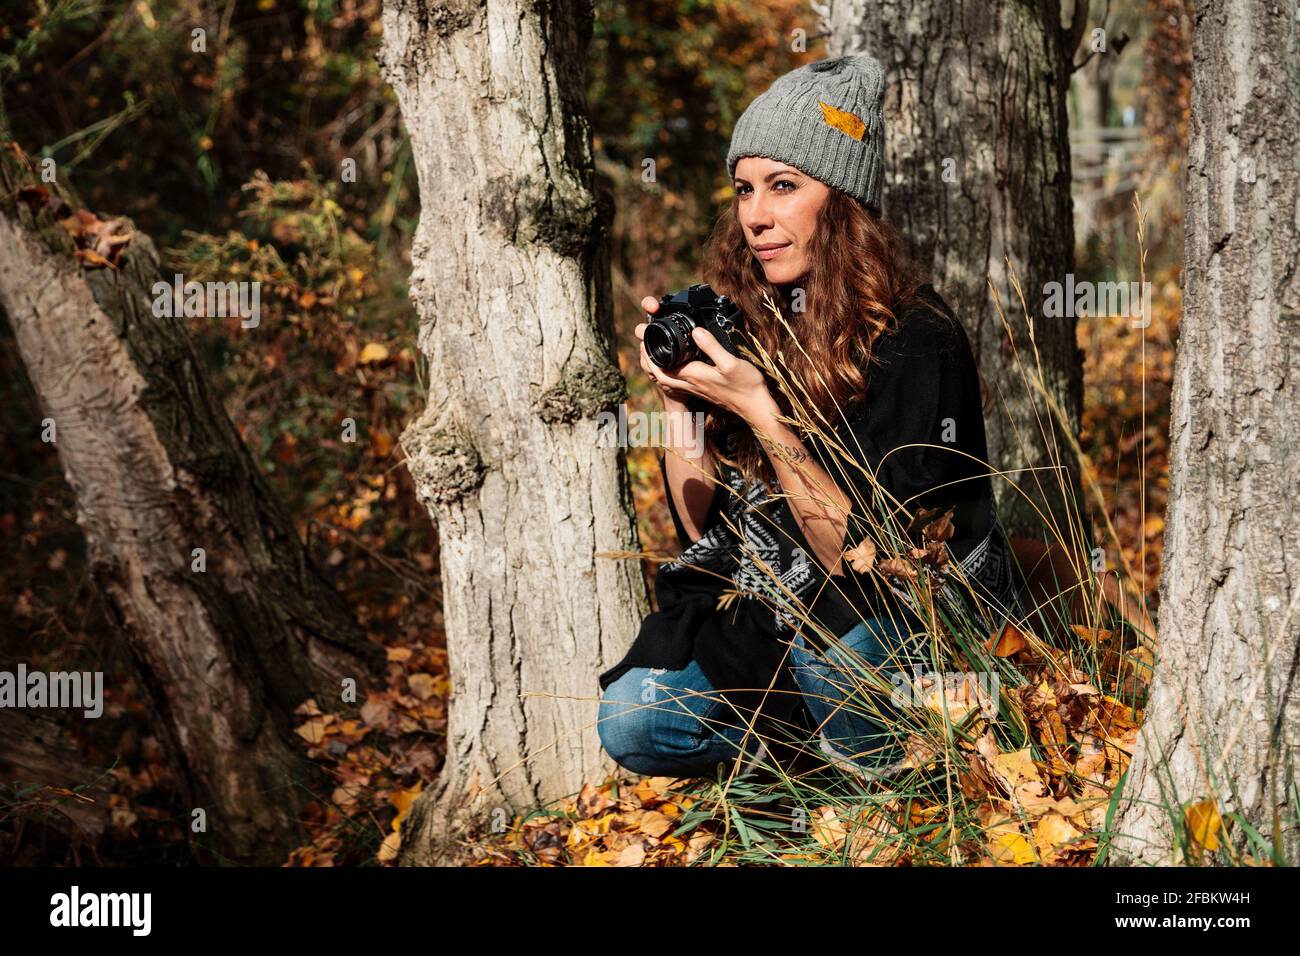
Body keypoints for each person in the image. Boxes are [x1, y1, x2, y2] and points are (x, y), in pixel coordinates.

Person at [597, 53, 1024, 781]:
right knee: (637, 716)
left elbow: (858, 558)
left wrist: (759, 409)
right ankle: (816, 764)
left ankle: (896, 789)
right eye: (744, 190)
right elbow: (706, 535)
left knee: (837, 658)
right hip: (787, 612)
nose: (756, 215)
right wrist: (681, 406)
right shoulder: (753, 321)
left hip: (910, 618)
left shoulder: (918, 338)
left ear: (844, 200)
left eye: (784, 186)